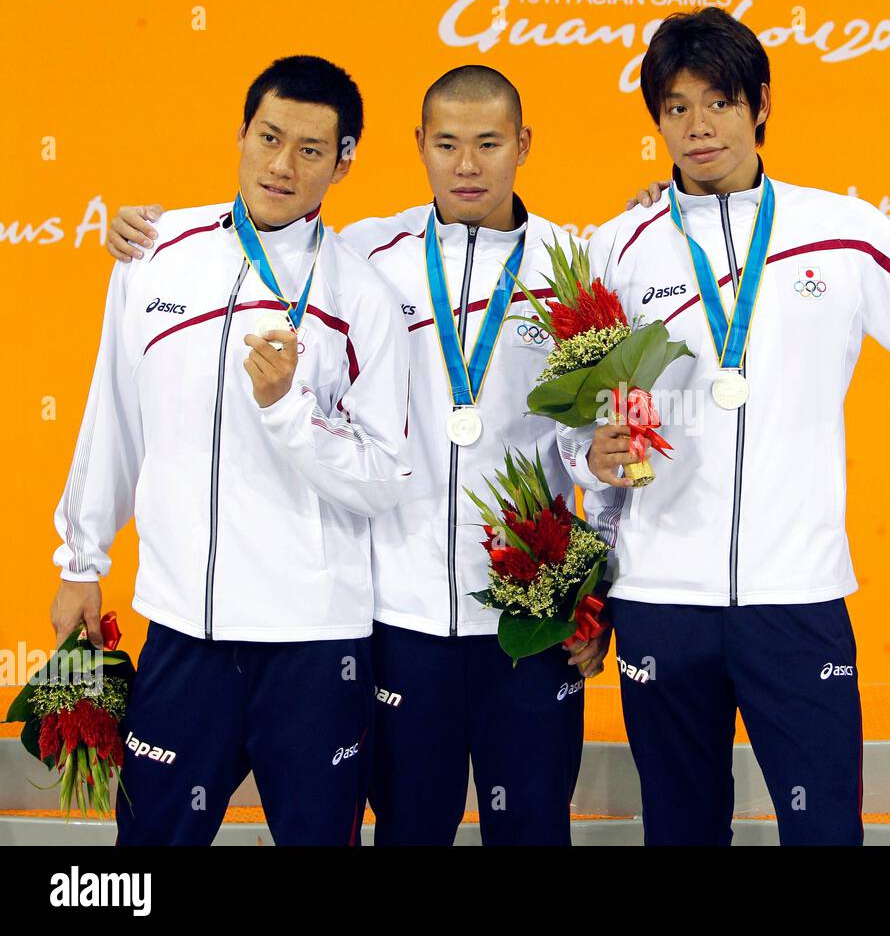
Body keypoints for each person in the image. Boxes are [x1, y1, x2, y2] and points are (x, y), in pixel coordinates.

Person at [107, 66, 601, 846]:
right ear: (418, 147)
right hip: (394, 615)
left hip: (527, 616)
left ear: (524, 145)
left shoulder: (579, 263)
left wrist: (595, 587)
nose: (466, 165)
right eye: (446, 144)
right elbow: (269, 230)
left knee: (536, 829)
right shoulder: (369, 254)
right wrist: (147, 231)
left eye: (488, 143)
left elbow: (599, 437)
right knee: (405, 829)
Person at [561, 7, 890, 846]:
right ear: (656, 117)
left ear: (760, 105)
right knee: (681, 830)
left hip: (796, 593)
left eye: (720, 102)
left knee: (827, 828)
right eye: (677, 107)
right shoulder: (618, 246)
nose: (699, 127)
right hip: (659, 597)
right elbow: (574, 426)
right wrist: (589, 468)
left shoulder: (840, 231)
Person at [53, 55, 412, 845]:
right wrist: (81, 560)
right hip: (186, 630)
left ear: (345, 160)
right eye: (269, 136)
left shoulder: (364, 297)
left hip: (315, 645)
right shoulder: (153, 252)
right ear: (240, 133)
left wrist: (292, 410)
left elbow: (387, 475)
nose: (283, 165)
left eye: (311, 149)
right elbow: (112, 415)